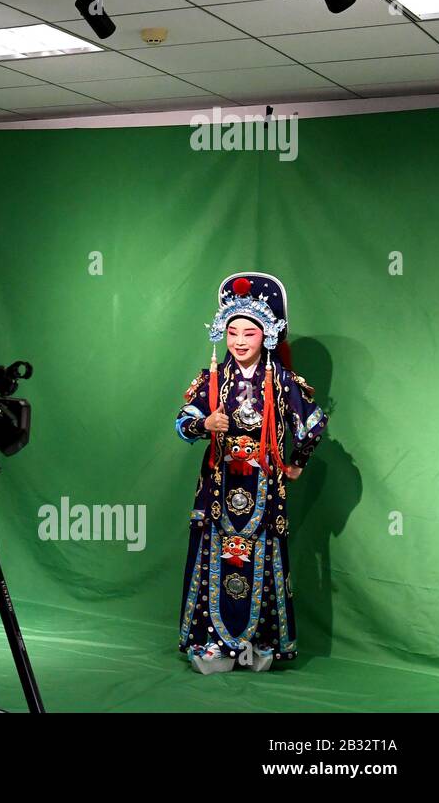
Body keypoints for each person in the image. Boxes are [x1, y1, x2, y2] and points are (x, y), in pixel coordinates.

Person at [174, 272, 328, 674]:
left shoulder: (281, 381)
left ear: (268, 336)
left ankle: (259, 644)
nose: (239, 341)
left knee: (259, 557)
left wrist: (298, 462)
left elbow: (312, 424)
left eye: (249, 333)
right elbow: (182, 421)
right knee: (216, 555)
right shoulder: (212, 379)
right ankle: (211, 644)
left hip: (263, 485)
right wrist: (204, 425)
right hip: (218, 486)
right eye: (232, 332)